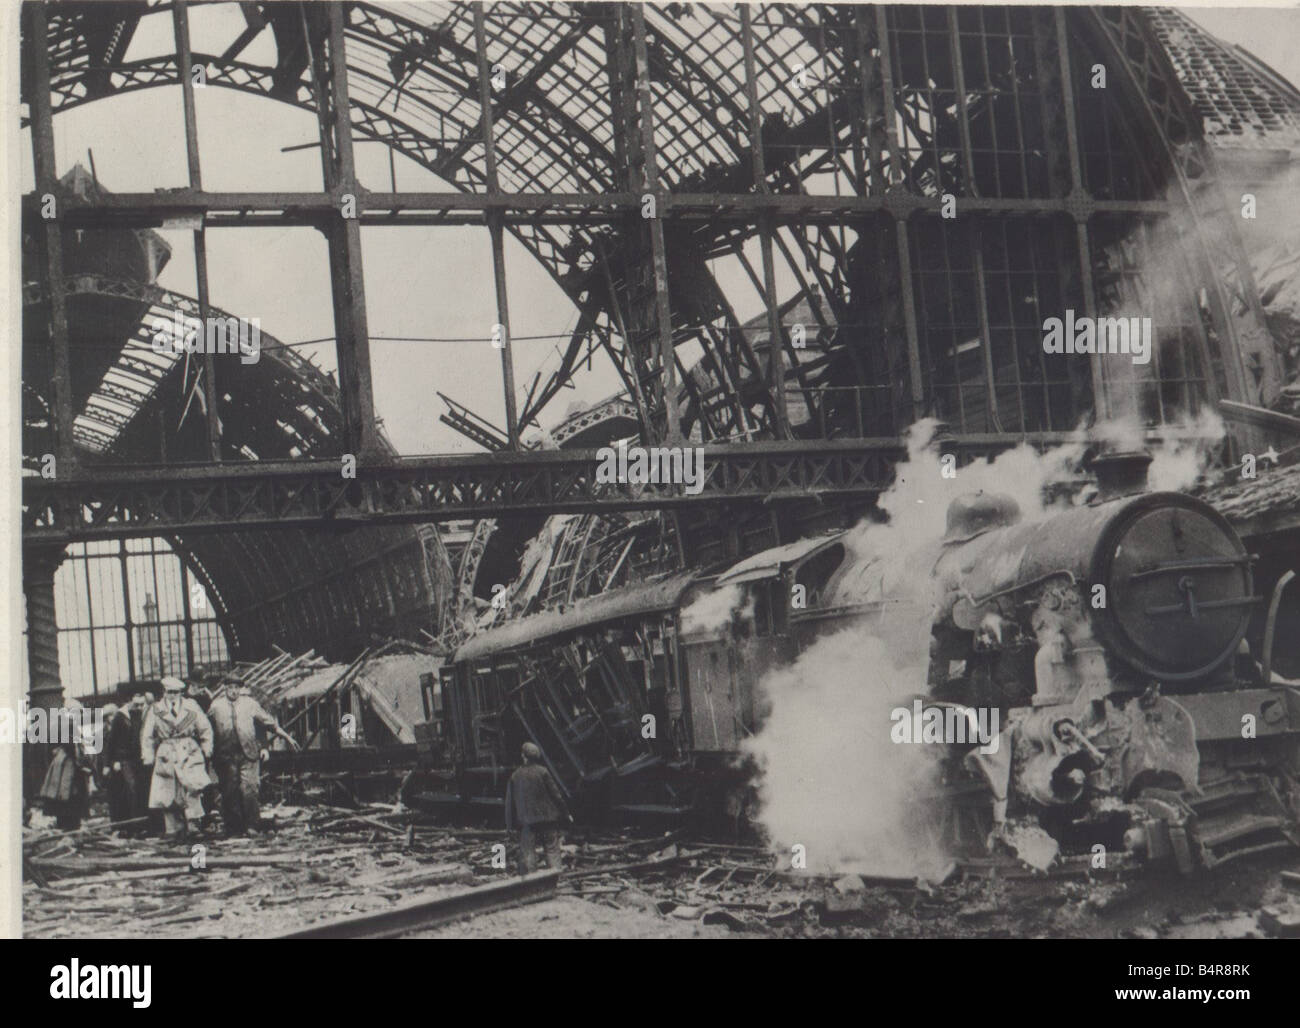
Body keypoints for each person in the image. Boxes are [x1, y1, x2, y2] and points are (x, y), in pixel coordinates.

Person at [207, 677, 298, 836]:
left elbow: (267, 723)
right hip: (226, 756)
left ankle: (252, 825)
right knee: (230, 792)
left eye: (236, 687)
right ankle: (234, 828)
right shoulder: (216, 706)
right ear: (225, 689)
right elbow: (207, 729)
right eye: (230, 687)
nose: (233, 691)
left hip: (248, 754)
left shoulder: (250, 704)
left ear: (240, 689)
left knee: (250, 789)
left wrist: (286, 737)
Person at [140, 677, 214, 841]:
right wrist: (148, 755)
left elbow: (205, 728)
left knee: (192, 787)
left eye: (175, 692)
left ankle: (193, 824)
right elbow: (147, 735)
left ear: (181, 693)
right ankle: (172, 827)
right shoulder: (156, 709)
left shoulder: (191, 706)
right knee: (167, 790)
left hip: (188, 750)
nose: (172, 695)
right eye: (169, 692)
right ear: (164, 692)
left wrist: (207, 747)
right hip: (167, 752)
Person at [504, 741, 571, 873]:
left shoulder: (515, 776)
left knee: (528, 852)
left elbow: (509, 804)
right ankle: (555, 877)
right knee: (552, 850)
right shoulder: (543, 772)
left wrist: (509, 826)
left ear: (523, 756)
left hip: (527, 822)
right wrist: (566, 813)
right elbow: (556, 796)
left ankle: (533, 881)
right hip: (548, 820)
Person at [38, 704, 91, 830]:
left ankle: (63, 824)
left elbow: (48, 749)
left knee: (60, 797)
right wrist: (82, 763)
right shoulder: (70, 725)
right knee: (72, 795)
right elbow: (75, 748)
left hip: (59, 766)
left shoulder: (57, 724)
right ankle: (72, 826)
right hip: (69, 767)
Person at [101, 702, 139, 829]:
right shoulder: (103, 731)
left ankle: (126, 825)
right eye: (109, 716)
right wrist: (109, 764)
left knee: (124, 796)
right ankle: (117, 826)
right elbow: (106, 751)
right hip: (113, 768)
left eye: (113, 715)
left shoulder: (121, 727)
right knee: (114, 797)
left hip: (121, 766)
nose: (111, 718)